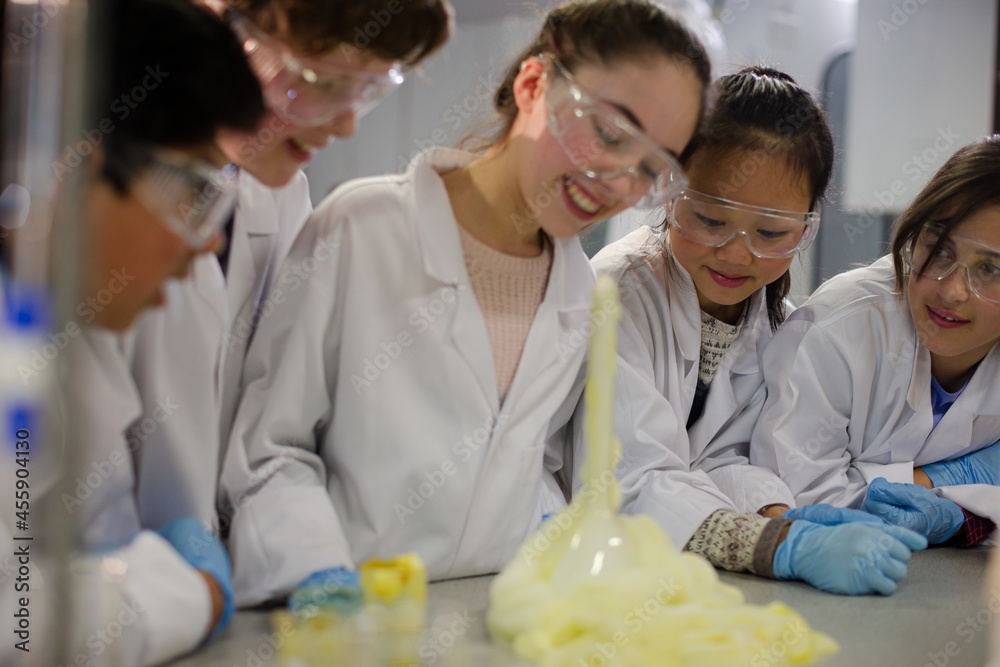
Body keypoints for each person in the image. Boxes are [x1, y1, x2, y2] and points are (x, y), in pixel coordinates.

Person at [221, 0, 710, 606]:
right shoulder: (362, 227)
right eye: (609, 133)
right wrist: (311, 573)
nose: (618, 182)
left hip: (490, 623)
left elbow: (530, 470)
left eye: (649, 169)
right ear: (534, 83)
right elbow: (270, 450)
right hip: (351, 622)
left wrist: (551, 537)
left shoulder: (581, 294)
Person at [577, 67, 926, 596]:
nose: (738, 254)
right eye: (710, 220)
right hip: (590, 567)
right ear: (669, 194)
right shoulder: (618, 295)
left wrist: (779, 513)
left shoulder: (770, 320)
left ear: (806, 226)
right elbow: (630, 479)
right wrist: (776, 546)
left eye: (770, 232)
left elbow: (721, 457)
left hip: (678, 575)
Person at [116, 0, 452, 541]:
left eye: (365, 92)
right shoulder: (92, 199)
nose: (344, 125)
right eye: (322, 83)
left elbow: (267, 418)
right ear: (225, 34)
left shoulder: (278, 194)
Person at [0, 0, 267, 663]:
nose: (206, 242)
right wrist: (189, 590)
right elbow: (18, 625)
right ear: (77, 165)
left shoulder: (66, 318)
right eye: (190, 192)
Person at [751, 135, 1000, 547]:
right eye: (938, 248)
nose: (952, 290)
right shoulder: (841, 328)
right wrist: (956, 490)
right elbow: (802, 504)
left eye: (991, 268)